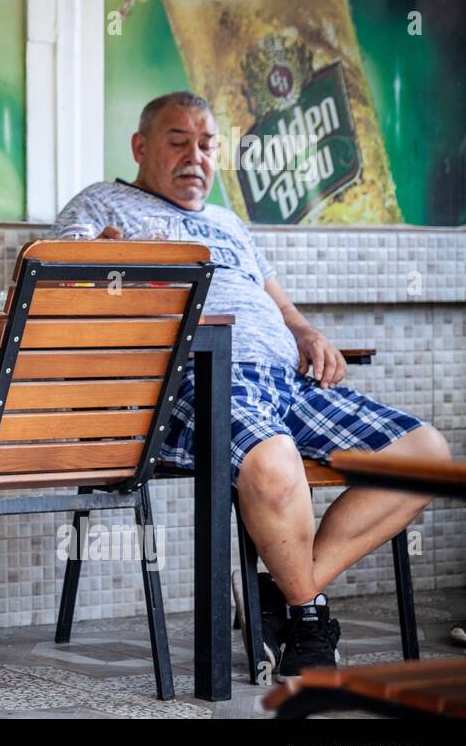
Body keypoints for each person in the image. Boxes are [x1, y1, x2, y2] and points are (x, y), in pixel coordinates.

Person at [53, 90, 450, 678]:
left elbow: (276, 302)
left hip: (288, 381)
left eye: (208, 145)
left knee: (425, 457)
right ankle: (309, 618)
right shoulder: (101, 203)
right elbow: (54, 273)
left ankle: (284, 589)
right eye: (178, 141)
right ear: (140, 146)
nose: (197, 156)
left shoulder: (228, 222)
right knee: (272, 464)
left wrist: (308, 332)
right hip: (196, 380)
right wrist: (112, 259)